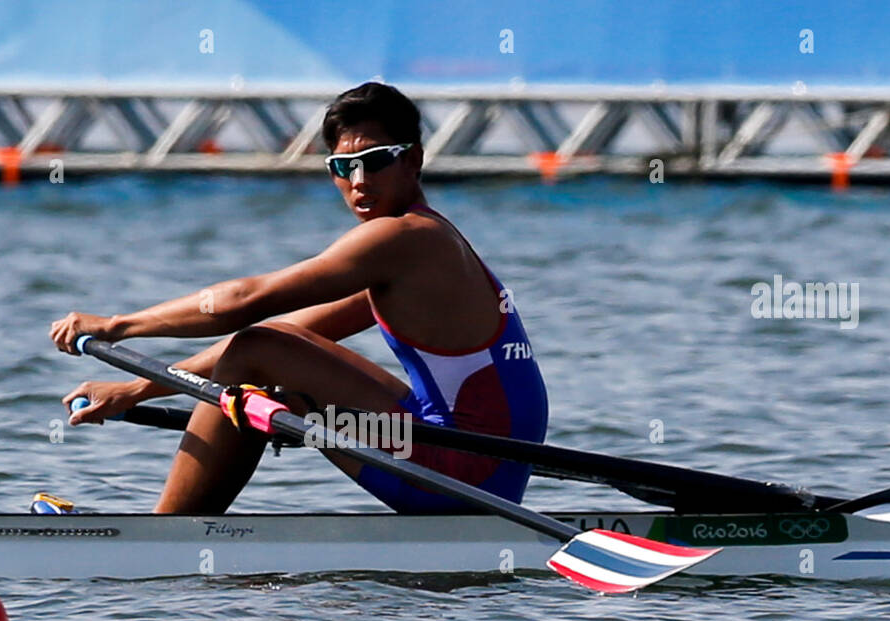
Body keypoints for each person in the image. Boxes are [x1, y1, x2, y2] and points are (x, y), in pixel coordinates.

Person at [50, 81, 547, 514]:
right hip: (474, 463)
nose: (358, 182)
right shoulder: (414, 253)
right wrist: (138, 391)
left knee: (257, 348)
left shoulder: (406, 238)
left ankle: (164, 538)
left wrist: (117, 325)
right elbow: (290, 336)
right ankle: (181, 531)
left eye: (374, 162)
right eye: (342, 165)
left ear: (413, 160)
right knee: (267, 361)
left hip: (464, 475)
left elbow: (244, 302)